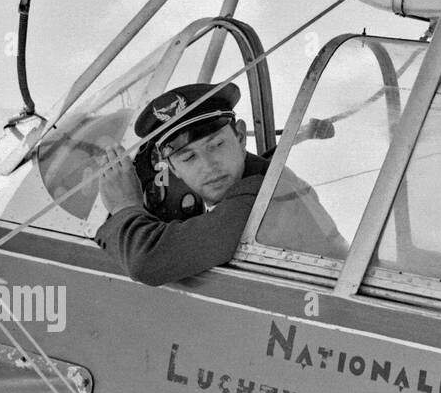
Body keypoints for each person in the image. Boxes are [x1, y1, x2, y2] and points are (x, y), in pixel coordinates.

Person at [95, 83, 347, 285]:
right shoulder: (269, 177)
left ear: (239, 136)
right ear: (172, 168)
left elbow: (148, 263)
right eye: (189, 157)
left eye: (216, 145)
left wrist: (124, 206)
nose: (208, 166)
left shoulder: (258, 200)